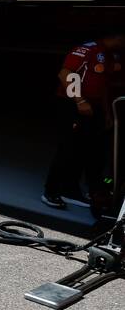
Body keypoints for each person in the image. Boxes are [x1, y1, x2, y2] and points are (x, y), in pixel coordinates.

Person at [43, 32, 125, 209]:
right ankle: (50, 192)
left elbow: (104, 86)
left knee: (88, 150)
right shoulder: (88, 49)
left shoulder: (111, 56)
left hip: (94, 107)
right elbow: (65, 74)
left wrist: (107, 113)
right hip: (72, 104)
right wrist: (79, 100)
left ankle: (71, 190)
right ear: (117, 37)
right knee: (68, 148)